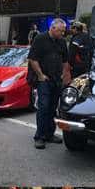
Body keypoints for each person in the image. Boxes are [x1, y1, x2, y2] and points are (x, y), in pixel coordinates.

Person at [28, 19, 70, 149]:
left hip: (56, 79)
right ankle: (40, 137)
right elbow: (32, 59)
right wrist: (40, 75)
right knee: (44, 107)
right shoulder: (40, 39)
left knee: (52, 107)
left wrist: (64, 74)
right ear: (52, 28)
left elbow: (65, 60)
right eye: (60, 31)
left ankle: (49, 134)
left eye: (63, 31)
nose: (62, 33)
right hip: (44, 80)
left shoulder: (62, 42)